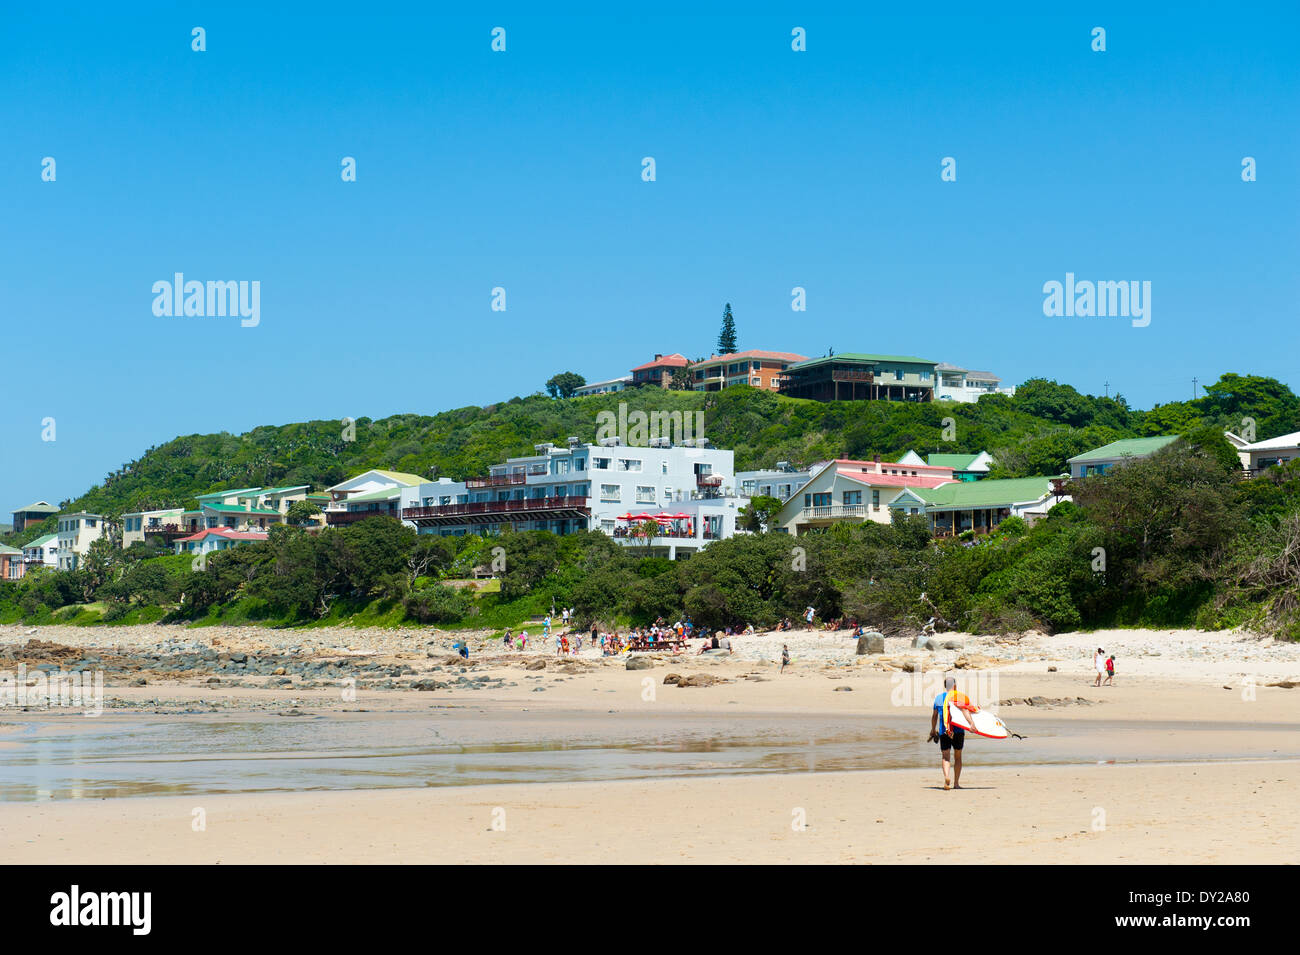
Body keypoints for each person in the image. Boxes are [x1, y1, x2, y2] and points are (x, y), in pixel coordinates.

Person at [929, 676, 976, 791]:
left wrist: (932, 729)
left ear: (945, 686)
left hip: (944, 731)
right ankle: (956, 783)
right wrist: (971, 723)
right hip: (958, 731)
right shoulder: (960, 697)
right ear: (955, 686)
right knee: (958, 756)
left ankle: (946, 777)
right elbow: (965, 711)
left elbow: (934, 716)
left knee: (945, 757)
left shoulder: (939, 698)